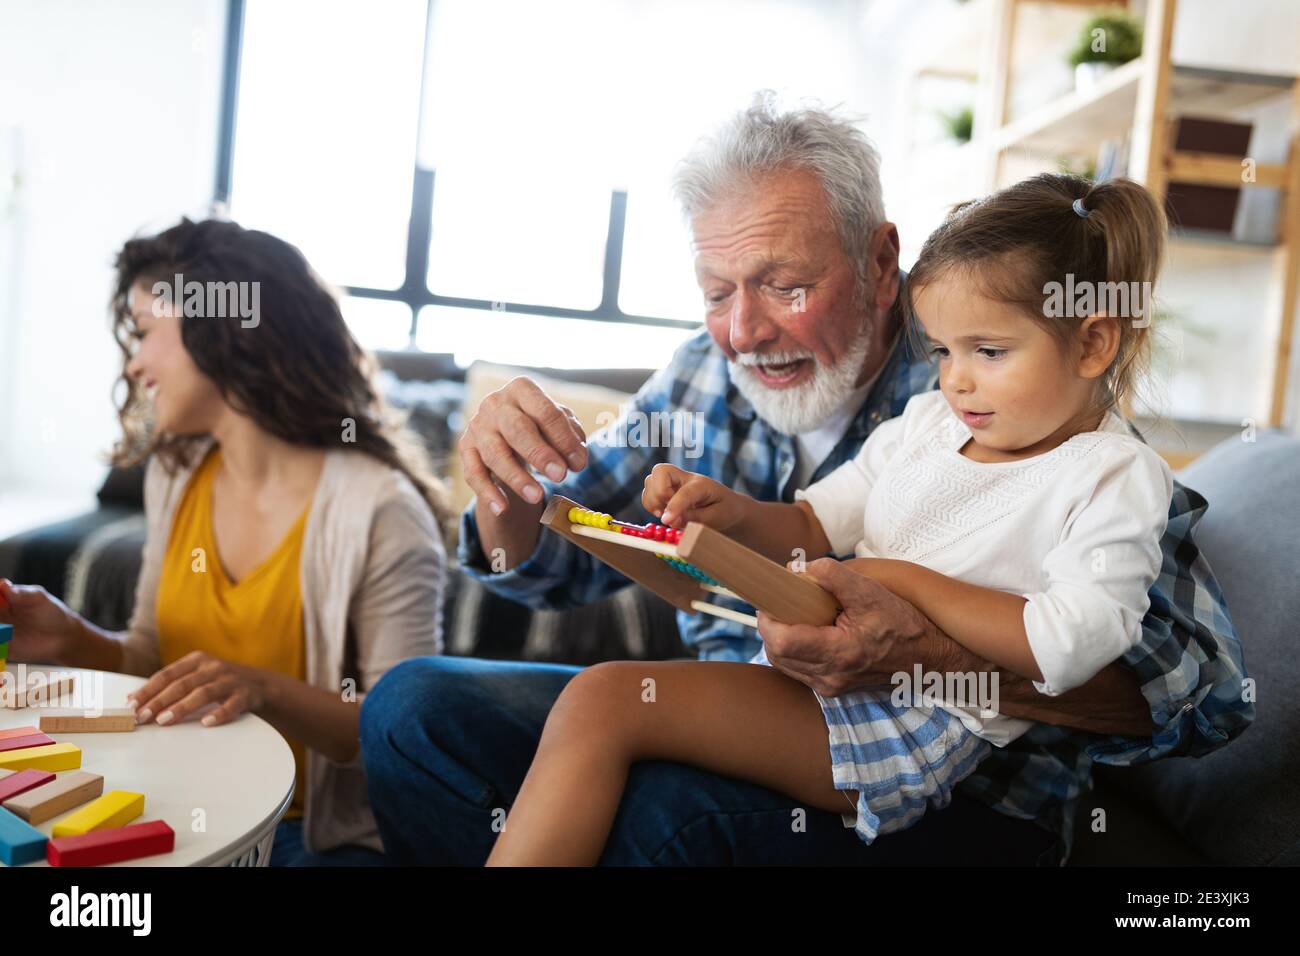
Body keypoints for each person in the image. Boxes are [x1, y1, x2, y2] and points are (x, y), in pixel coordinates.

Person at [360, 95, 1252, 866]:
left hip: (972, 796)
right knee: (409, 712)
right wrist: (509, 490)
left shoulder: (1045, 412)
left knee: (655, 810)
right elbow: (576, 562)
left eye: (784, 284)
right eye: (716, 291)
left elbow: (1194, 696)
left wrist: (924, 652)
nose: (743, 329)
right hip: (762, 709)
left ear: (877, 261)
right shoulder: (727, 380)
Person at [485, 174, 1177, 864]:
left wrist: (898, 583)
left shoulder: (1114, 474)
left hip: (915, 722)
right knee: (572, 709)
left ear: (1092, 344)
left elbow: (1072, 644)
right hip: (828, 692)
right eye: (942, 351)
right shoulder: (931, 423)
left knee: (604, 702)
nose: (956, 379)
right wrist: (734, 514)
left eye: (988, 352)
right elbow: (817, 522)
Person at [0, 218, 449, 866]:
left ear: (218, 330)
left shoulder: (380, 511)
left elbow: (396, 728)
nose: (134, 362)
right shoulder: (176, 474)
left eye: (148, 332)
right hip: (173, 799)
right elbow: (152, 660)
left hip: (308, 836)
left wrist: (261, 688)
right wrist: (72, 640)